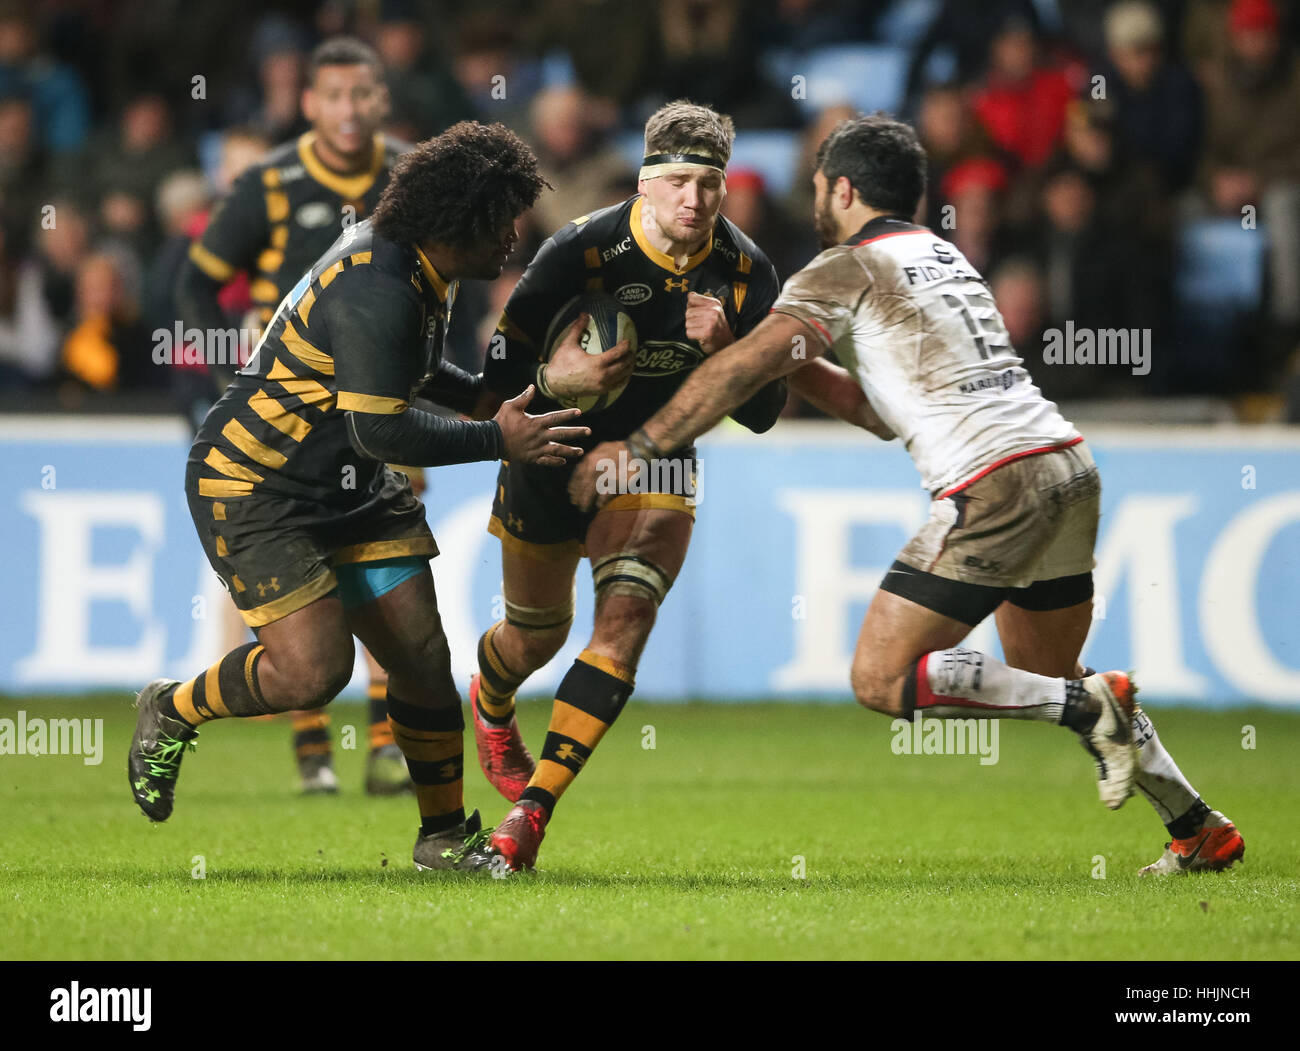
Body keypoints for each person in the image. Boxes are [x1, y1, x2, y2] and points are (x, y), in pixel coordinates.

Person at [569, 115, 1245, 877]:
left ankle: (1095, 708)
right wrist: (743, 347)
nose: (816, 198)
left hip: (997, 483)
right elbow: (872, 410)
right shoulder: (942, 256)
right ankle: (1196, 825)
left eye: (821, 186)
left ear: (843, 189)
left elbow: (739, 379)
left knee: (881, 678)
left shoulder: (843, 267)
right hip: (1065, 464)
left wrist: (639, 446)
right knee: (1049, 674)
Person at [128, 121, 592, 872]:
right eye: (503, 217)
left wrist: (487, 402)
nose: (514, 234)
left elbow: (406, 372)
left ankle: (442, 836)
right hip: (256, 483)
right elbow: (381, 430)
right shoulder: (377, 285)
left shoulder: (412, 264)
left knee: (421, 656)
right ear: (459, 220)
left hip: (349, 483)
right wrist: (497, 438)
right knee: (314, 673)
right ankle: (173, 706)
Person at [469, 100, 788, 871]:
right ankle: (491, 698)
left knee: (625, 625)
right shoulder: (578, 251)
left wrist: (729, 355)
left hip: (658, 463)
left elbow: (769, 412)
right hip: (552, 452)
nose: (695, 200)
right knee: (534, 637)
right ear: (646, 183)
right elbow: (496, 387)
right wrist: (557, 377)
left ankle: (528, 817)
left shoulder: (747, 272)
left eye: (709, 184)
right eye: (679, 181)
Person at [175, 37, 414, 794]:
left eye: (363, 95)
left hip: (376, 406)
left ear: (382, 99)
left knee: (382, 568)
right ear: (309, 104)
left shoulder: (408, 178)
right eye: (334, 97)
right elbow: (193, 287)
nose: (350, 110)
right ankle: (312, 752)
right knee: (290, 569)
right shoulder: (269, 182)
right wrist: (226, 380)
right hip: (283, 420)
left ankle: (385, 745)